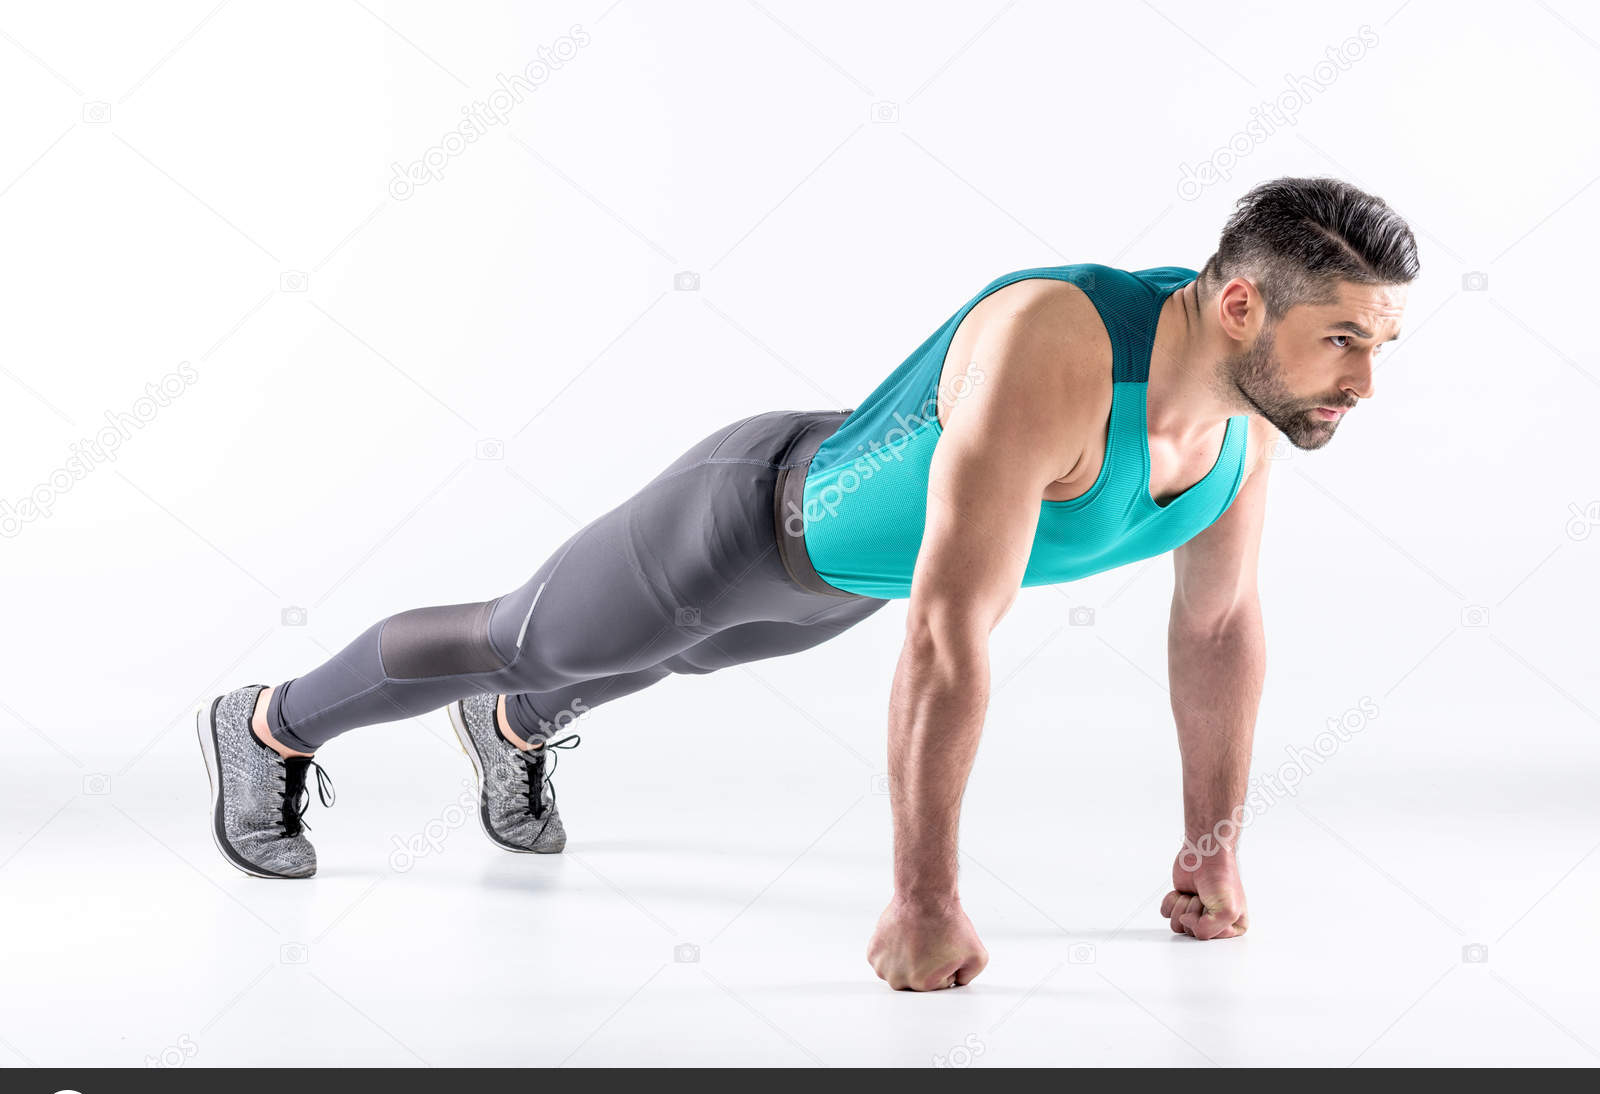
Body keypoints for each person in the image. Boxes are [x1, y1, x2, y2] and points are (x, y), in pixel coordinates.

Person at [196, 175, 1416, 991]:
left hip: (837, 580)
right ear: (1243, 303)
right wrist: (922, 898)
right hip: (737, 518)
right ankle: (268, 725)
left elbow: (1216, 627)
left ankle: (511, 728)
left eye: (1381, 345)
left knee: (663, 657)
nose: (1362, 386)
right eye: (1344, 342)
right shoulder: (1063, 340)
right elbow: (950, 635)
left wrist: (1210, 848)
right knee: (524, 636)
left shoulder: (1258, 416)